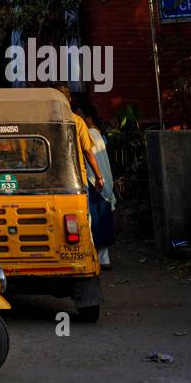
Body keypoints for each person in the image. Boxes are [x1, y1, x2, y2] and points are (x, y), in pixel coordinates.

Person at [77, 101, 116, 269]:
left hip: (93, 181)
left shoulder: (88, 134)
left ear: (88, 118)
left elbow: (88, 155)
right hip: (103, 181)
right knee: (103, 218)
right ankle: (104, 259)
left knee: (93, 220)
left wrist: (97, 177)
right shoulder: (99, 134)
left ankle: (96, 259)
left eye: (80, 116)